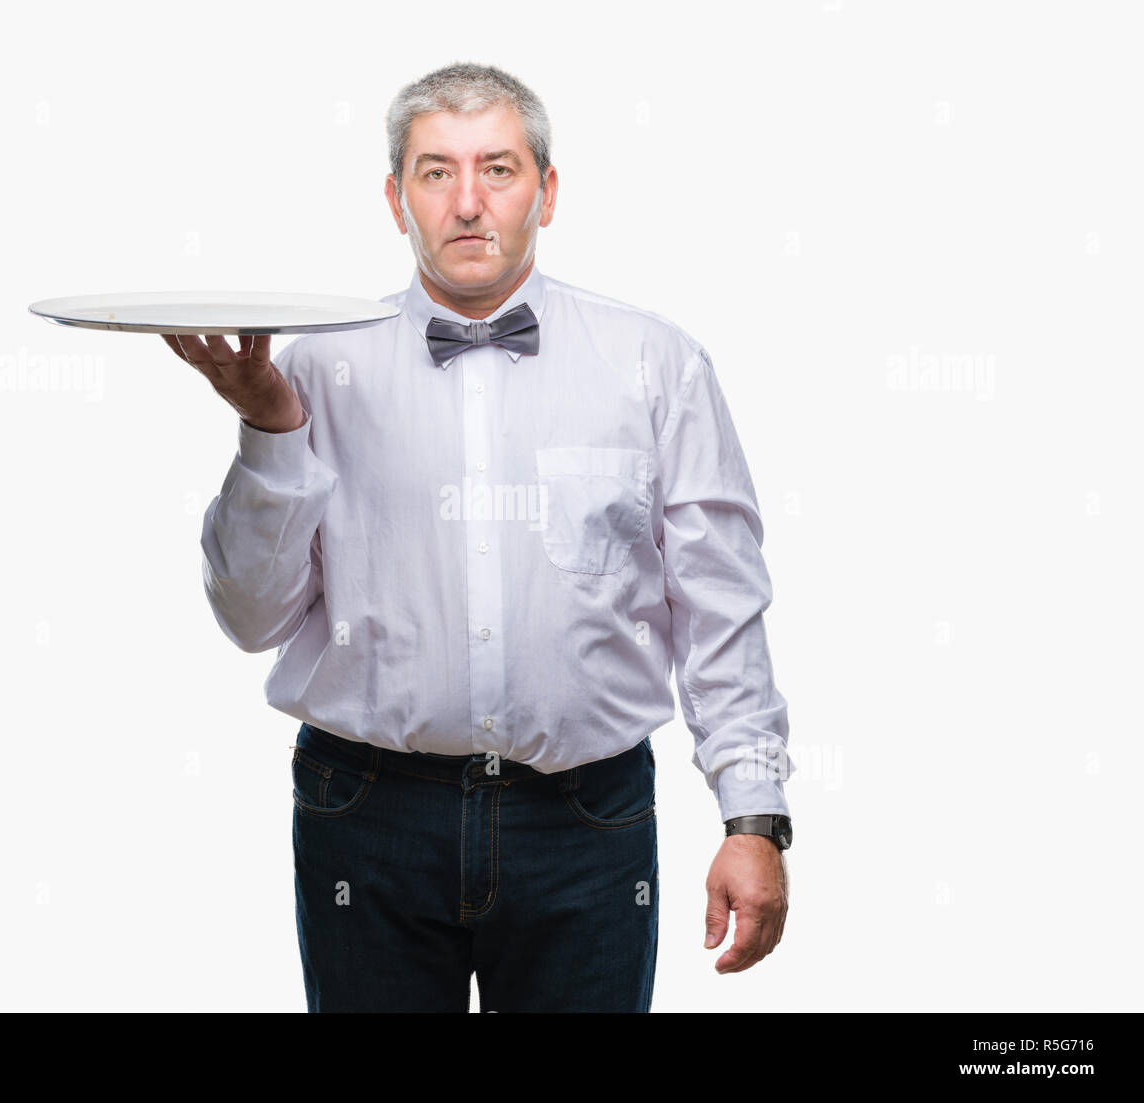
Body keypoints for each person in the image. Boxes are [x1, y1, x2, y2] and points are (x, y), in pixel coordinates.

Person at [161, 61, 794, 1013]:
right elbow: (250, 619)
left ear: (547, 190)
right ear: (393, 198)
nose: (467, 203)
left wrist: (753, 815)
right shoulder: (313, 367)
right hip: (365, 814)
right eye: (434, 172)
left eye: (497, 169)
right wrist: (268, 430)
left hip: (588, 819)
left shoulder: (653, 363)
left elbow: (720, 602)